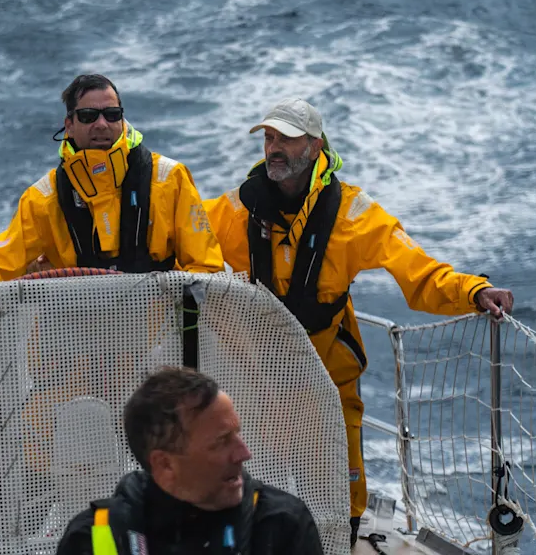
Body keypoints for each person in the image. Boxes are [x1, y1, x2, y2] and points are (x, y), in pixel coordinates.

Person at [204, 98, 515, 544]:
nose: (273, 148)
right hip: (255, 376)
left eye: (286, 139)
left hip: (329, 379)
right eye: (269, 138)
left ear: (314, 146)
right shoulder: (236, 211)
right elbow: (185, 241)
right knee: (252, 483)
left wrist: (473, 291)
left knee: (341, 491)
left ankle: (344, 542)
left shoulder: (355, 216)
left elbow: (418, 270)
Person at [0, 74, 223, 286]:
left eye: (112, 114)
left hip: (160, 334)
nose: (101, 124)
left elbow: (206, 266)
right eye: (88, 116)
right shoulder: (43, 198)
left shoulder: (169, 178)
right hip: (74, 334)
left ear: (122, 120)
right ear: (69, 125)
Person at [56, 366, 324, 554]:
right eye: (221, 441)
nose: (244, 453)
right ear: (164, 464)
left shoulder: (281, 525)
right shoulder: (90, 539)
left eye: (237, 435)